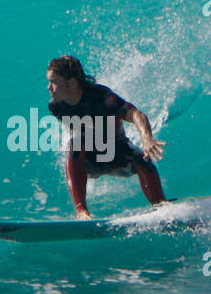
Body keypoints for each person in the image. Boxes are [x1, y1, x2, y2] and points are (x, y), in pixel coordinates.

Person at [45, 55, 168, 219]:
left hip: (118, 153)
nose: (49, 87)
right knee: (75, 145)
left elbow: (135, 114)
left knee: (143, 160)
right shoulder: (56, 106)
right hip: (90, 162)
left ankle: (162, 208)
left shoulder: (102, 97)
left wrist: (146, 138)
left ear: (72, 83)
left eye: (54, 82)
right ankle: (81, 212)